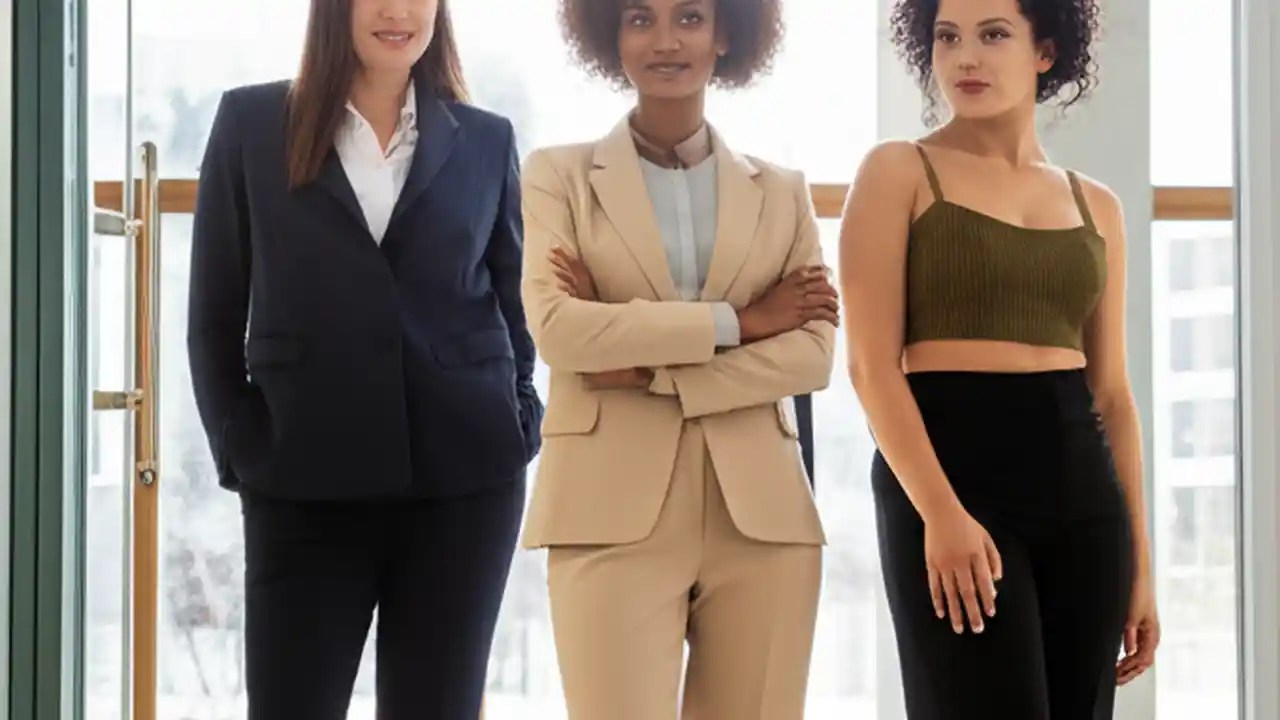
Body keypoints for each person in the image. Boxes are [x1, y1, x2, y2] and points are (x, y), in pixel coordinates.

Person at [186, 0, 542, 716]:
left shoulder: (485, 140)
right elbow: (213, 315)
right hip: (302, 478)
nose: (397, 11)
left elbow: (515, 303)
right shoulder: (252, 127)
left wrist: (520, 415)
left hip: (462, 482)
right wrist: (243, 447)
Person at [518, 0, 839, 717]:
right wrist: (744, 322)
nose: (666, 40)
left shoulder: (781, 190)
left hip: (763, 518)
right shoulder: (557, 176)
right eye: (640, 19)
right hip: (606, 507)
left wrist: (648, 370)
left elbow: (813, 354)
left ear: (727, 33)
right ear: (610, 34)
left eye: (690, 18)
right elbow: (562, 333)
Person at [839, 0, 1159, 716]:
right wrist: (940, 515)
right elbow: (871, 367)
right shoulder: (899, 171)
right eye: (947, 38)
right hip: (952, 479)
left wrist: (1140, 562)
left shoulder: (1095, 205)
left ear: (1045, 51)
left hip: (1081, 493)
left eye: (993, 36)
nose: (965, 59)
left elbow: (1112, 396)